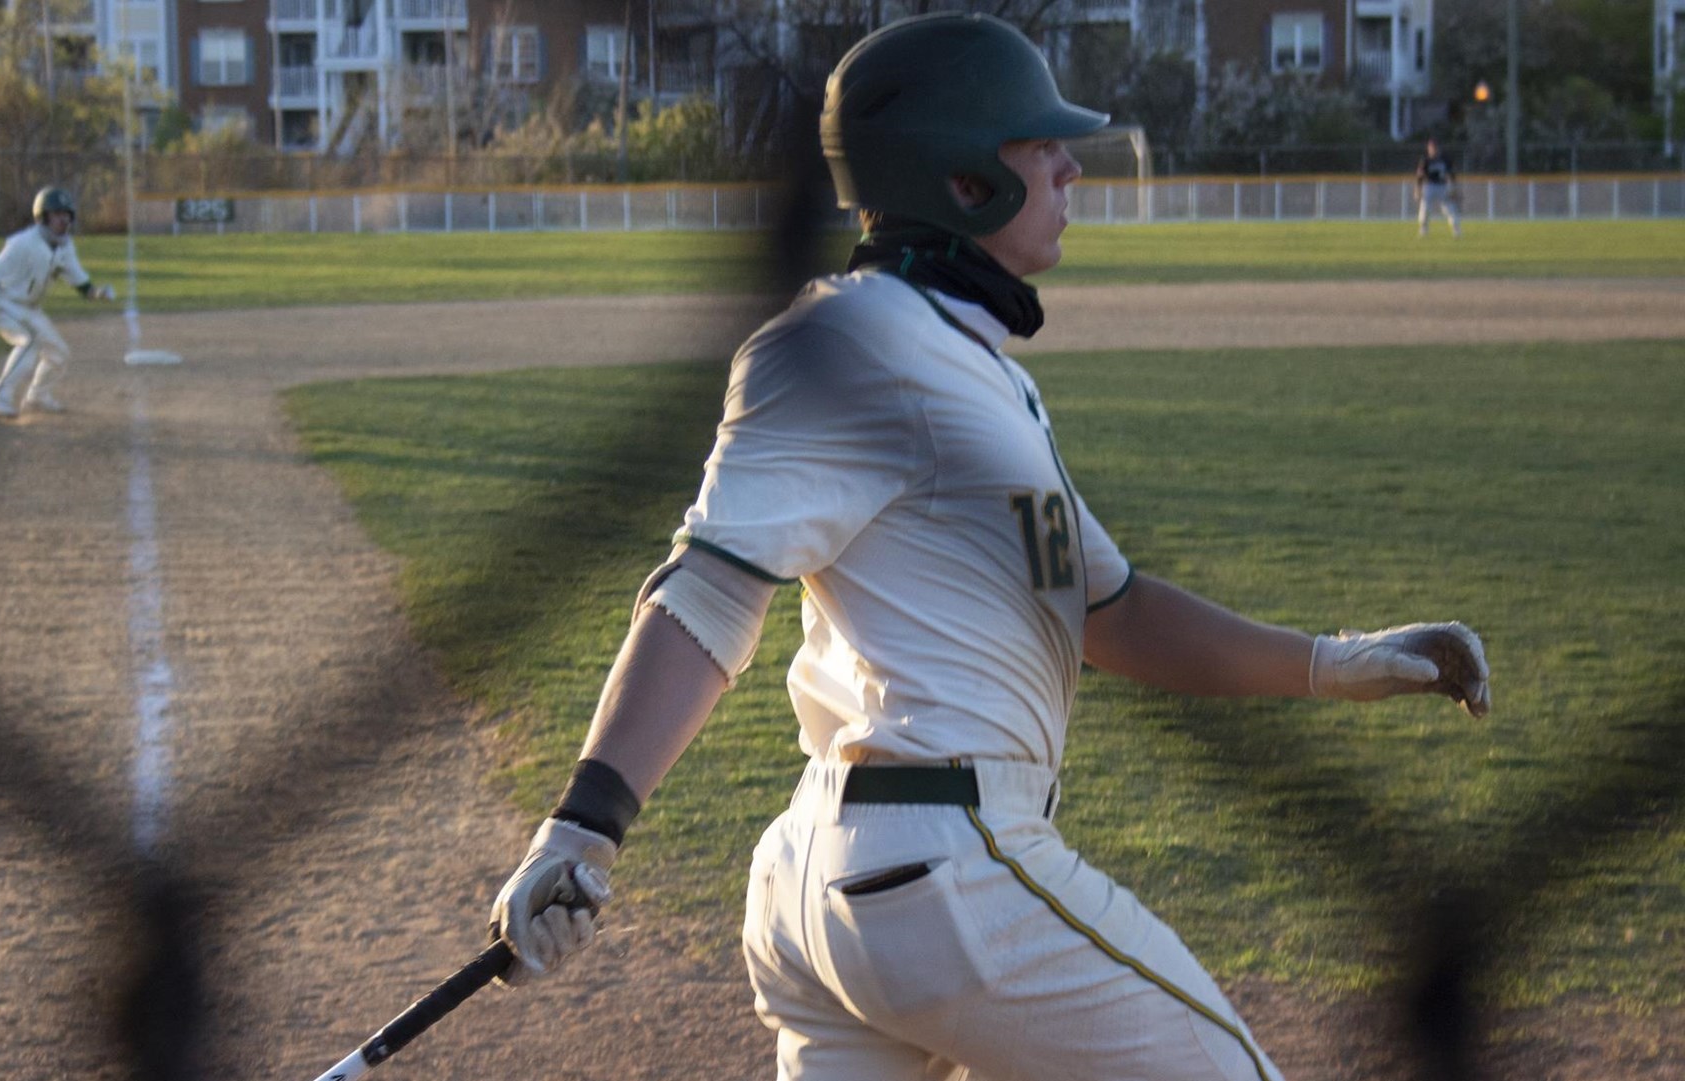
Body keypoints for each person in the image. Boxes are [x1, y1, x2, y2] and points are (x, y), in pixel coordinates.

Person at [487, 14, 1492, 1081]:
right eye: (1038, 143)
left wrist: (1334, 665)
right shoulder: (846, 341)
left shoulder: (978, 372)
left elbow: (1110, 610)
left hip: (844, 880)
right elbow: (709, 595)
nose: (1068, 165)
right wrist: (586, 822)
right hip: (948, 865)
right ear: (966, 181)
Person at [0, 186, 115, 420]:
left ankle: (37, 396)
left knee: (58, 353)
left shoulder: (65, 246)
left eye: (66, 214)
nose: (63, 220)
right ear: (43, 217)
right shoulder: (22, 243)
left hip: (27, 308)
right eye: (57, 214)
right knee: (27, 343)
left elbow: (82, 286)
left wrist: (99, 293)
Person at [1414, 139, 1462, 238]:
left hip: (1442, 185)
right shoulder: (1425, 160)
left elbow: (1451, 175)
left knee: (1449, 208)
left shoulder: (1445, 159)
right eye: (1431, 148)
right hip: (1429, 186)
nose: (1433, 150)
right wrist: (1417, 190)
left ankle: (1456, 228)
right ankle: (1423, 228)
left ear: (1438, 148)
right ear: (1428, 149)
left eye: (1435, 147)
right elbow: (1419, 176)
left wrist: (1453, 188)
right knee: (1425, 208)